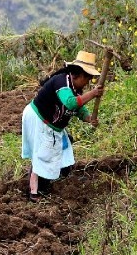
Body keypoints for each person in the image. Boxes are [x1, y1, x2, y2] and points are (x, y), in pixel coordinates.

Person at [21, 50, 104, 202]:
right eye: (88, 79)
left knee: (65, 145)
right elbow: (71, 102)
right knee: (42, 154)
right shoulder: (62, 82)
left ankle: (59, 176)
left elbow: (78, 108)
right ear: (81, 75)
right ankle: (35, 191)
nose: (88, 83)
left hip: (54, 127)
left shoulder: (75, 87)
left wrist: (88, 118)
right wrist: (93, 94)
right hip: (39, 120)